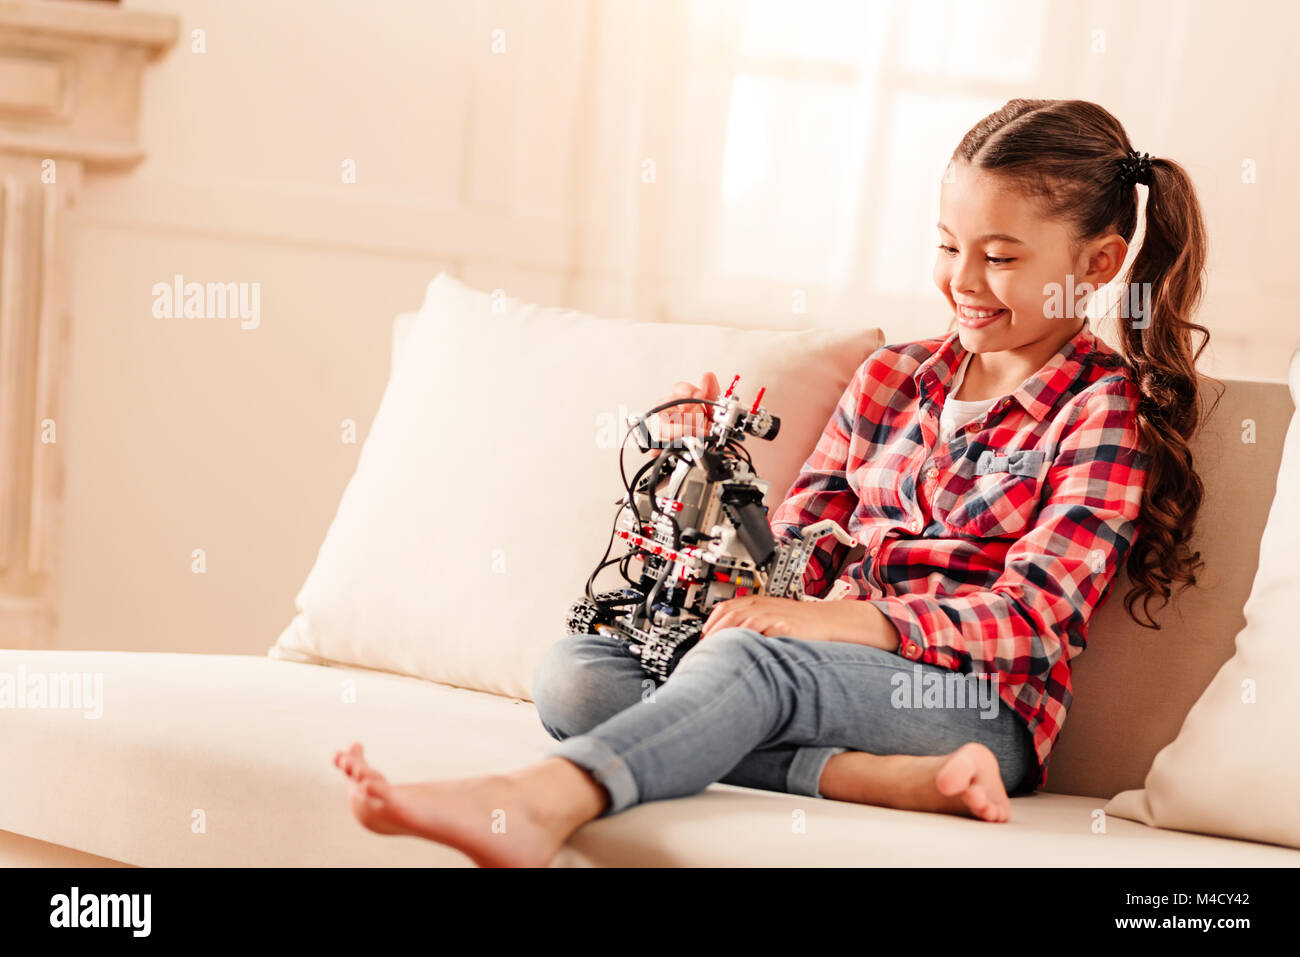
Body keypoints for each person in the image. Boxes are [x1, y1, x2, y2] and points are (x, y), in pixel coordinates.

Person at [334, 98, 1215, 867]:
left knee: (751, 663)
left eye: (1002, 256)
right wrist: (712, 474)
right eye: (948, 246)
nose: (964, 281)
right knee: (579, 672)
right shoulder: (890, 378)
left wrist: (841, 623)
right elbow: (783, 571)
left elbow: (1030, 621)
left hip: (969, 700)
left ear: (1099, 265)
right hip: (816, 666)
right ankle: (871, 779)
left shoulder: (1101, 411)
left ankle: (540, 799)